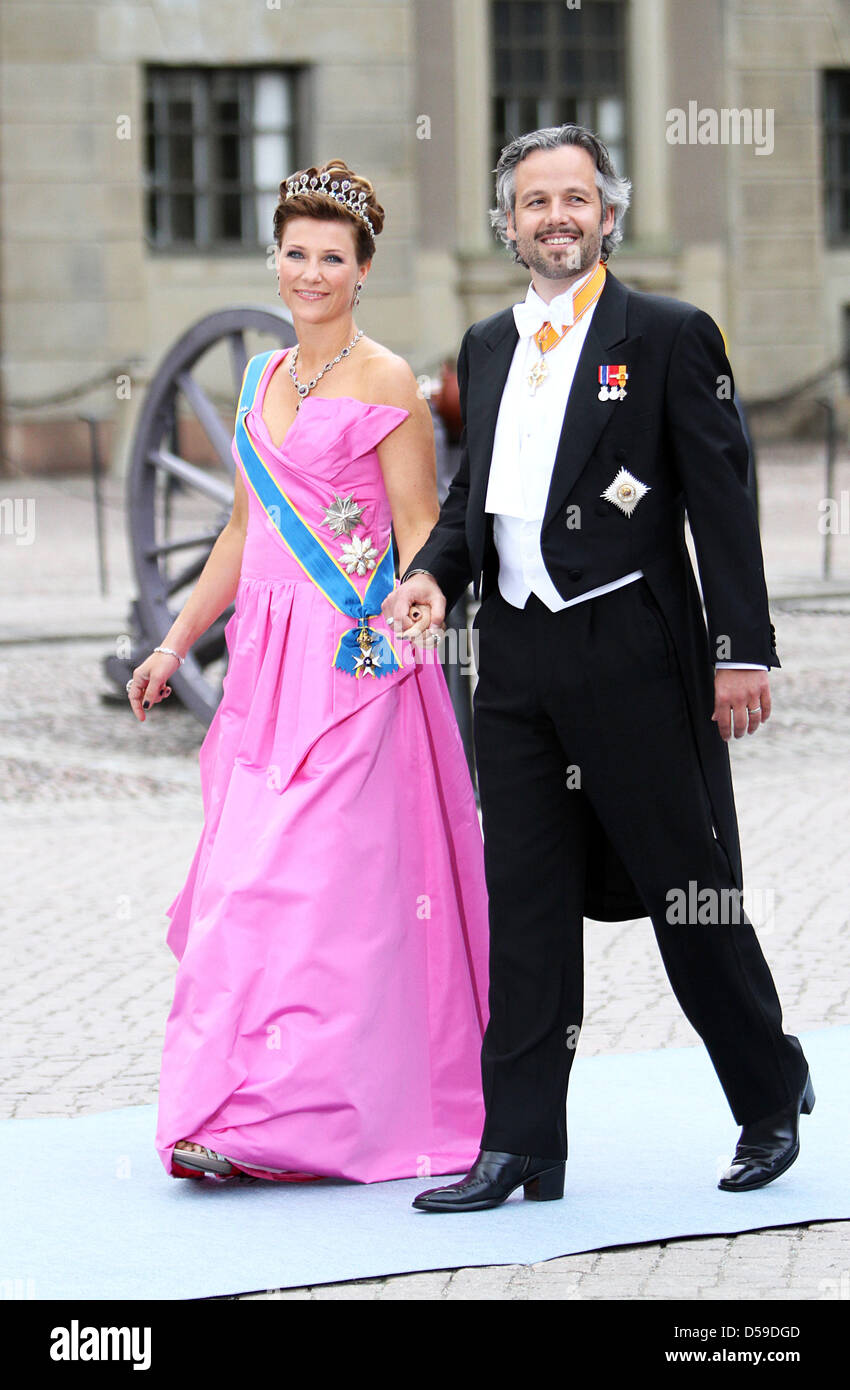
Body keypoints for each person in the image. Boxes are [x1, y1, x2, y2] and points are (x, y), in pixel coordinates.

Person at [384, 125, 813, 1213]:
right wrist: (434, 575)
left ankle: (767, 1094)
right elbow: (483, 491)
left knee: (689, 890)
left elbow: (722, 501)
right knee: (525, 903)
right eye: (535, 203)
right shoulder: (485, 346)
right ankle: (522, 1141)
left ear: (608, 216)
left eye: (575, 198)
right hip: (515, 661)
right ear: (509, 224)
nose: (556, 217)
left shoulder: (667, 334)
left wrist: (741, 649)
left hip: (630, 648)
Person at [127, 159, 489, 1185]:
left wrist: (432, 626)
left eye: (333, 257)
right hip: (265, 671)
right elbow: (246, 528)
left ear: (364, 269)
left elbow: (423, 527)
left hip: (356, 666)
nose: (311, 272)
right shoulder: (257, 380)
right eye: (297, 253)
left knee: (320, 900)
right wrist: (172, 639)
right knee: (242, 889)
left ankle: (294, 1122)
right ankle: (230, 1113)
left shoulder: (386, 381)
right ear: (275, 258)